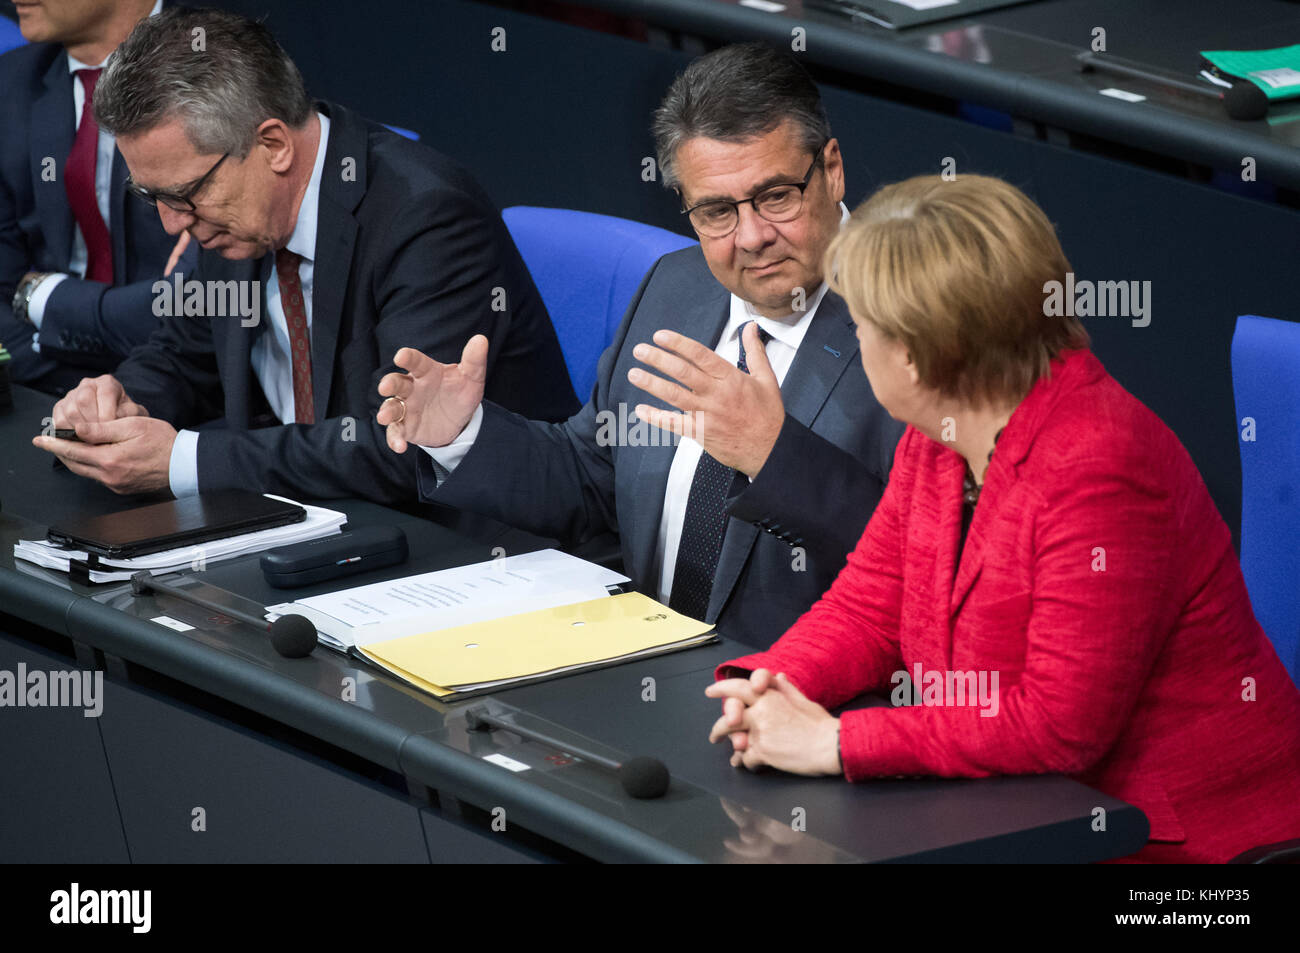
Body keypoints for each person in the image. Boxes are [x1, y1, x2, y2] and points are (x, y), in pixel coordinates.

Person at [706, 173, 1300, 863]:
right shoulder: (939, 434)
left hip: (1182, 856)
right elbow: (870, 607)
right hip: (1011, 818)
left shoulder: (1102, 466)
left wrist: (835, 742)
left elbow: (1058, 725)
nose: (855, 339)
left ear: (917, 357)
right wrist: (771, 686)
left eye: (862, 326)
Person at [376, 44, 905, 647]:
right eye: (716, 212)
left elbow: (932, 563)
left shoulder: (914, 321)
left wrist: (773, 455)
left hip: (792, 696)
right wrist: (462, 433)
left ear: (832, 169)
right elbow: (592, 478)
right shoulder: (676, 285)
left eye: (776, 196)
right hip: (638, 663)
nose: (753, 236)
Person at [32, 7, 576, 501]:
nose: (172, 222)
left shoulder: (427, 218)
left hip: (462, 537)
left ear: (273, 146)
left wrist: (183, 460)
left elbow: (403, 444)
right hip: (305, 513)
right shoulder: (231, 212)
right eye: (151, 196)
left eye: (183, 196)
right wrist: (120, 406)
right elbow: (184, 352)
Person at [1, 0, 188, 395]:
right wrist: (81, 393)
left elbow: (199, 301)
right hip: (42, 384)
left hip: (189, 396)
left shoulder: (225, 70)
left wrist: (40, 295)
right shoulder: (10, 83)